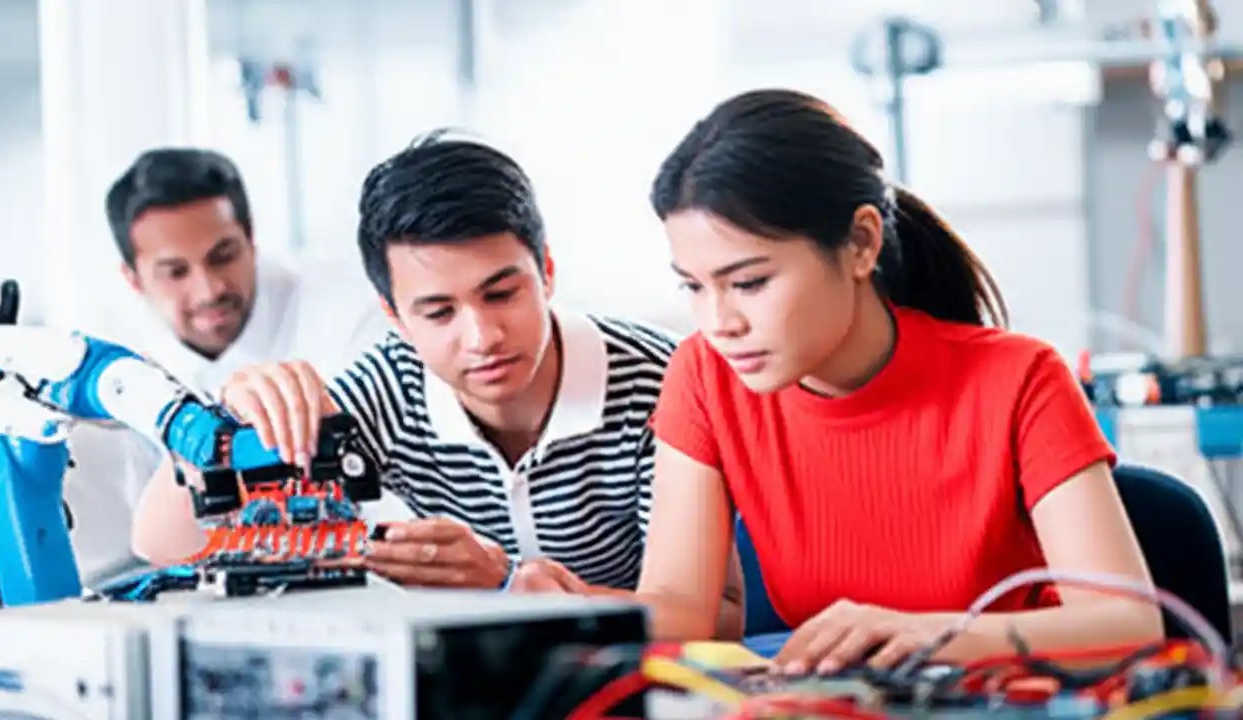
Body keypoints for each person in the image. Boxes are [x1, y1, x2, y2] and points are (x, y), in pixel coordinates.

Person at [517, 89, 1164, 669]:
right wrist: (562, 612)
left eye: (749, 283)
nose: (719, 322)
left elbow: (1128, 626)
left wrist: (929, 633)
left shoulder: (1021, 379)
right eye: (694, 287)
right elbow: (682, 610)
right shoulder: (705, 376)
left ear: (860, 244)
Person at [129, 134, 743, 630]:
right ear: (395, 317)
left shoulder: (658, 382)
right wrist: (222, 423)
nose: (482, 337)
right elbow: (165, 544)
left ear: (547, 272)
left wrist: (514, 587)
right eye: (439, 312)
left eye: (501, 294)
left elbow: (716, 619)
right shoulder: (388, 387)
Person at [65, 148, 388, 582]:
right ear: (133, 279)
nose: (209, 290)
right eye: (175, 272)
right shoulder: (105, 373)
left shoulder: (346, 317)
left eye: (223, 256)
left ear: (251, 240)